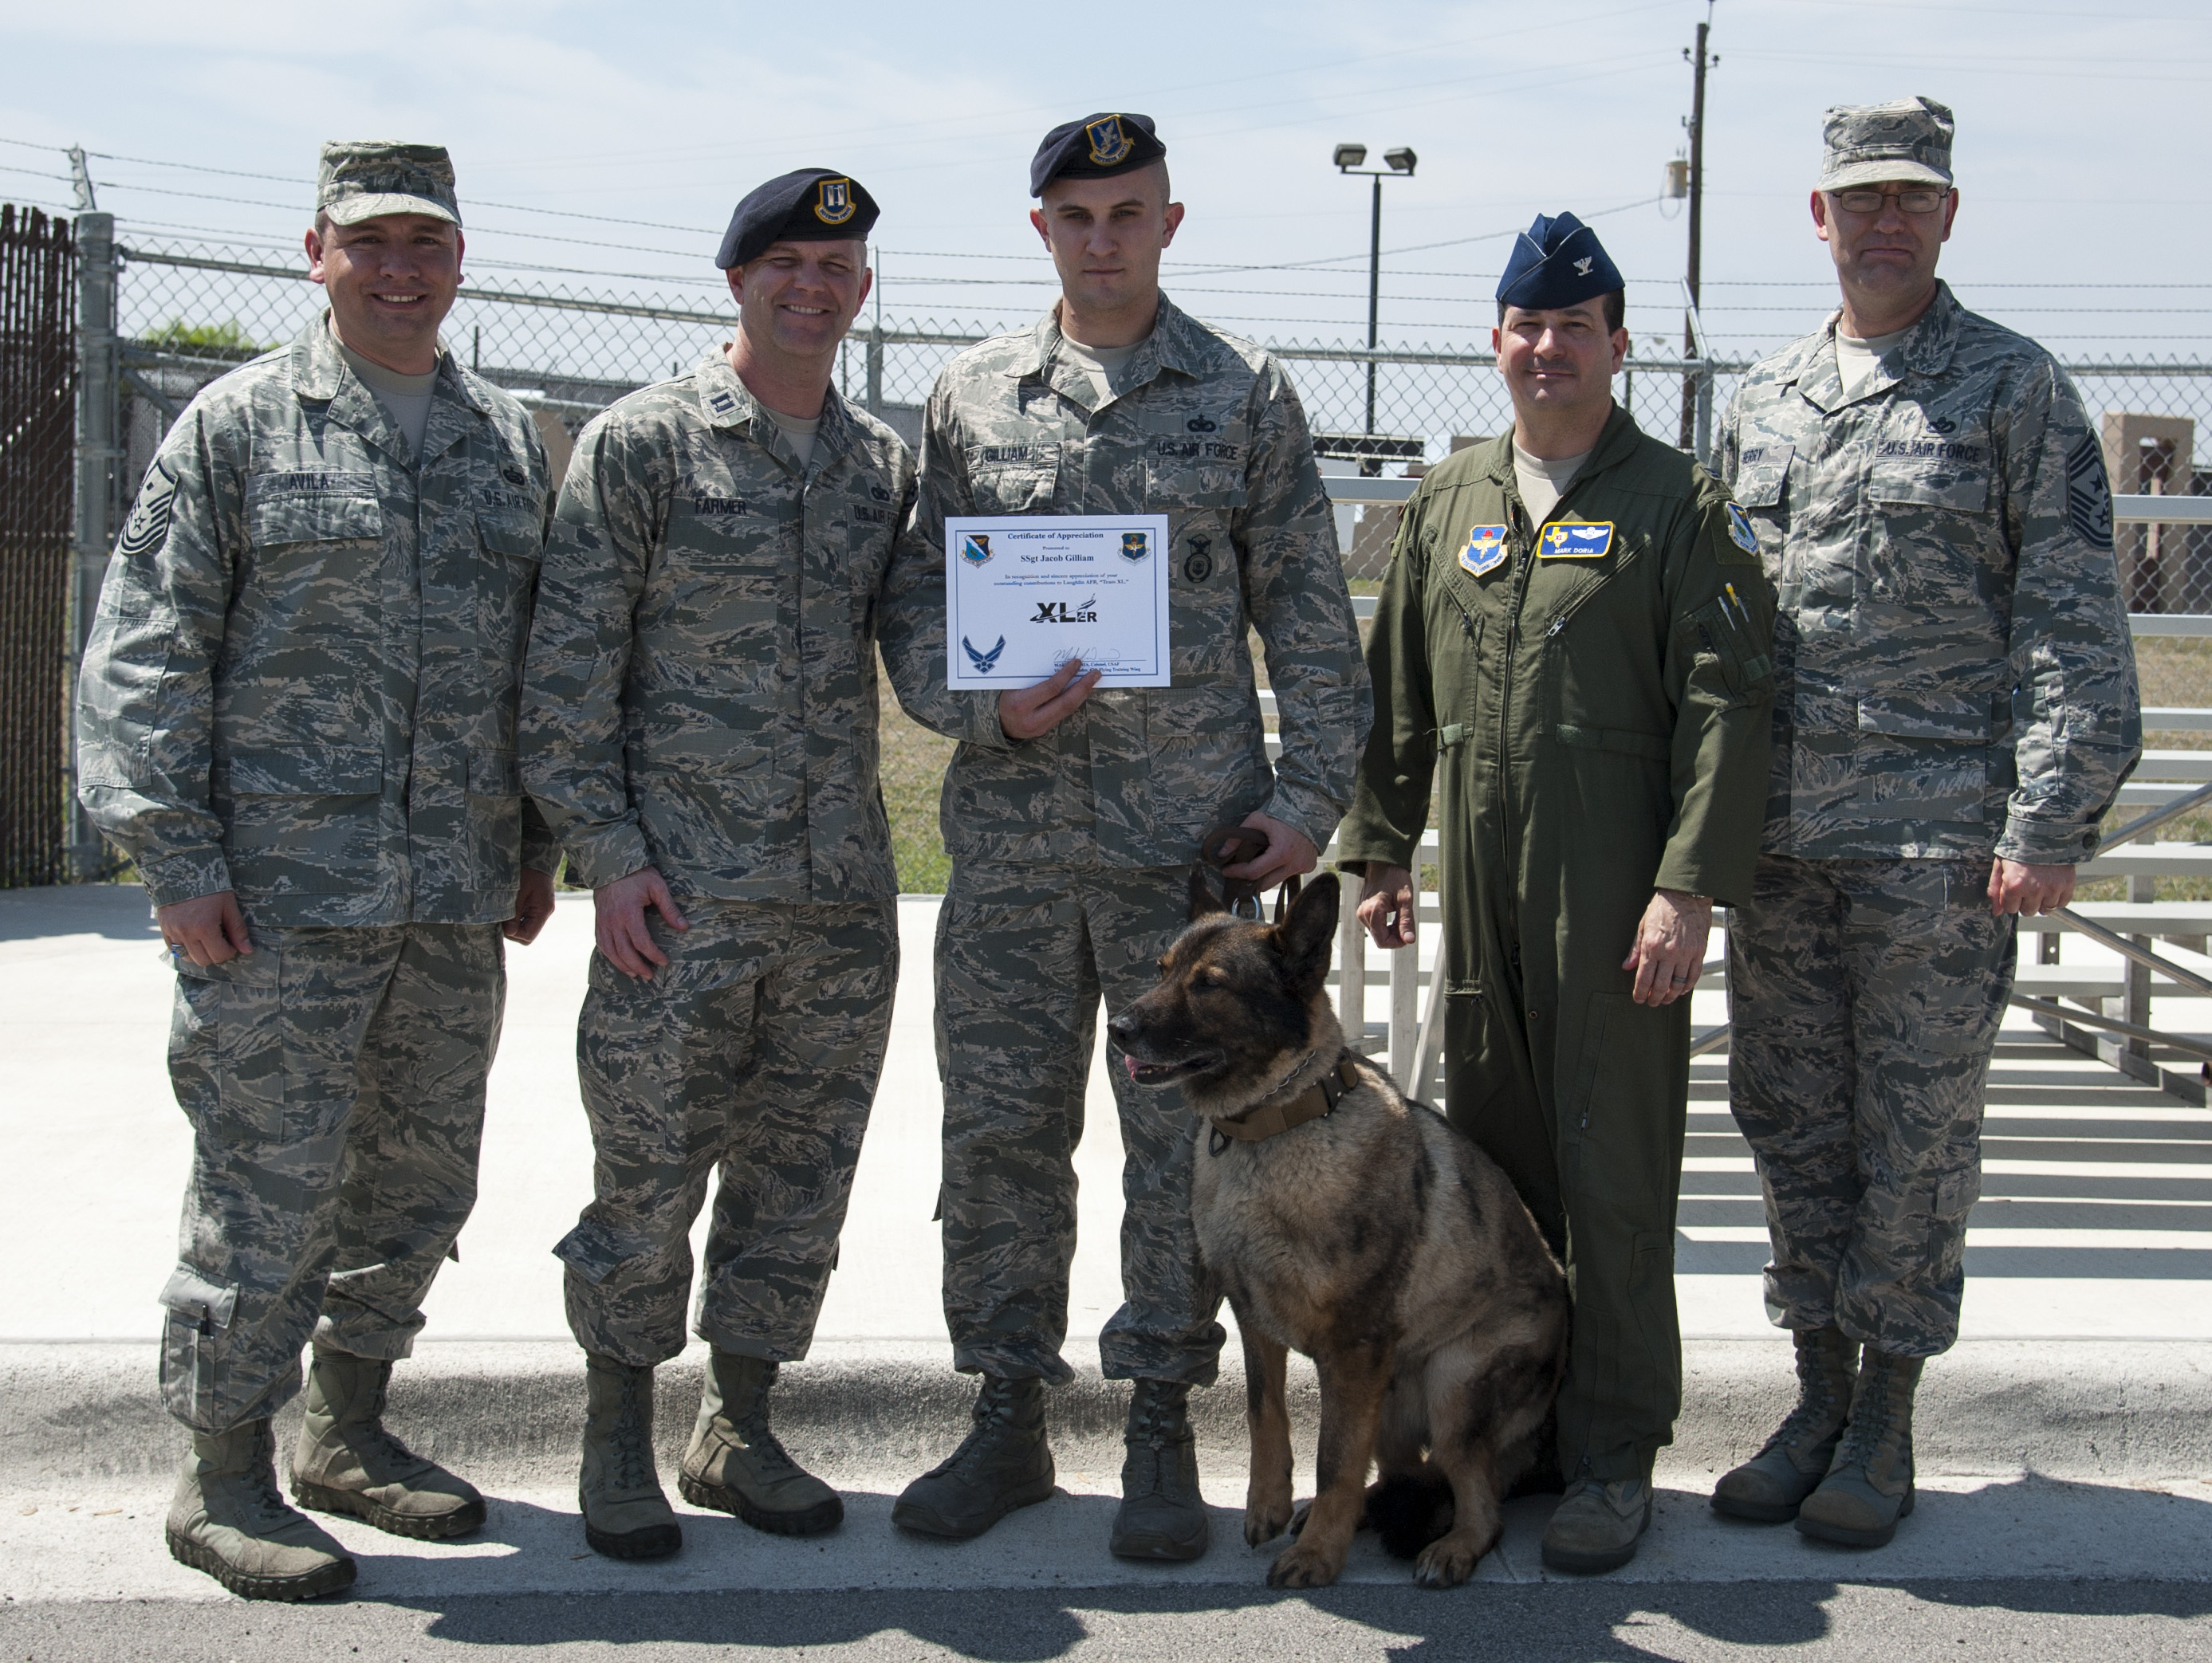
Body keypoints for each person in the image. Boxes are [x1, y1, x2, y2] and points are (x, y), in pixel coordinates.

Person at [876, 112, 1369, 1561]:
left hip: (1184, 866)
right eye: (1077, 216)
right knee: (1002, 1138)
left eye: (1129, 213)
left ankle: (1162, 1421)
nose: (1104, 238)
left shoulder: (1241, 395)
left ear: (1168, 222)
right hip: (1017, 857)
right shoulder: (969, 398)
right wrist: (986, 715)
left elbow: (1313, 620)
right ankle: (1007, 1413)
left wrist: (1305, 798)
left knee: (1179, 1152)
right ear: (1042, 230)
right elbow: (915, 608)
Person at [75, 142, 557, 1602]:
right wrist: (176, 855)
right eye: (372, 242)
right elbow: (147, 649)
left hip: (451, 895)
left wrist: (535, 848)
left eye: (426, 241)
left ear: (460, 258)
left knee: (415, 1181)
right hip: (274, 900)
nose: (401, 267)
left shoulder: (501, 441)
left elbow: (535, 668)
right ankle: (219, 1468)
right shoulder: (238, 426)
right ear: (318, 251)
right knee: (264, 1189)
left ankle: (347, 1434)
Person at [1710, 97, 2139, 1549]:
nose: (1883, 220)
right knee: (1788, 1124)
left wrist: (2048, 815)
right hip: (1777, 847)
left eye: (1910, 196)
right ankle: (1812, 1391)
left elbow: (2073, 616)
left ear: (1948, 215)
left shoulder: (2012, 390)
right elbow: (1712, 638)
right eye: (1858, 197)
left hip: (1940, 846)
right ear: (1814, 217)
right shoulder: (1758, 401)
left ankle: (1884, 1410)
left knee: (1916, 1133)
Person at [1336, 212, 1776, 1575]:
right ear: (1496, 341)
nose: (1545, 350)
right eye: (1525, 328)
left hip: (1611, 887)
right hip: (1481, 879)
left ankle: (1613, 1450)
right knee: (1500, 1178)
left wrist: (1687, 885)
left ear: (1617, 345)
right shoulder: (1452, 499)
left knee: (1617, 1174)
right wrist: (1380, 845)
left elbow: (1726, 703)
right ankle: (1506, 1434)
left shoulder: (1674, 504)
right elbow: (1397, 686)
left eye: (1572, 329)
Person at [520, 169, 911, 1562]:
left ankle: (738, 1423)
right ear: (736, 278)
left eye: (840, 267)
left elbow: (921, 646)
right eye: (788, 264)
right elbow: (564, 678)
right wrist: (609, 861)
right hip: (674, 901)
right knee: (647, 1172)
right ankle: (616, 1430)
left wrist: (1016, 686)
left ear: (862, 291)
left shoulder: (877, 463)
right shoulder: (642, 446)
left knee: (799, 1174)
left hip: (838, 901)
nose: (815, 288)